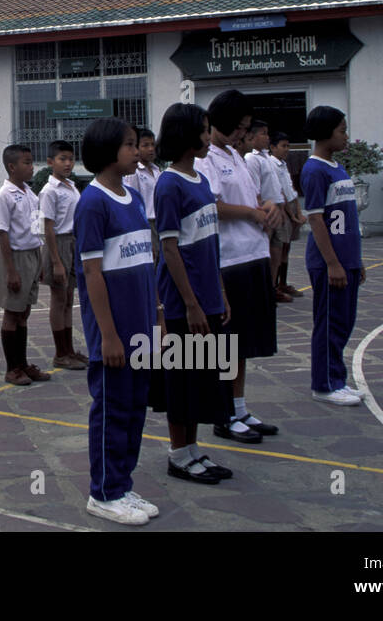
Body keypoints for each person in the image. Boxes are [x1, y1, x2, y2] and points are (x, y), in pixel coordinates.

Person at [76, 117, 160, 525]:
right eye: (129, 145)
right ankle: (104, 492)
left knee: (134, 408)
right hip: (115, 333)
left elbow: (145, 259)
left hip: (142, 327)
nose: (137, 151)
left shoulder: (135, 197)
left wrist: (156, 314)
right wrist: (107, 335)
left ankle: (123, 483)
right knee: (111, 409)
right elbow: (93, 274)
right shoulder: (92, 203)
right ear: (109, 151)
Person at [150, 103, 235, 486]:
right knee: (182, 381)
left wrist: (219, 292)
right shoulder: (168, 184)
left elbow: (209, 244)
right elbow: (170, 248)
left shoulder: (200, 180)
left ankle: (193, 450)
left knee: (204, 379)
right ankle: (178, 453)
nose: (207, 137)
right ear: (184, 135)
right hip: (187, 305)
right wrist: (190, 303)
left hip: (209, 299)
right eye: (202, 130)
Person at [194, 90, 284, 444]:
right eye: (237, 129)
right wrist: (251, 212)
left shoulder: (236, 155)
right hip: (229, 258)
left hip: (253, 253)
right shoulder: (206, 160)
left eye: (245, 130)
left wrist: (269, 205)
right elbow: (212, 206)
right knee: (226, 344)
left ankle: (240, 406)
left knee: (244, 342)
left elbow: (253, 197)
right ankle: (223, 413)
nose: (241, 136)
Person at [302, 106, 367, 407]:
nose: (346, 135)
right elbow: (316, 219)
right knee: (329, 323)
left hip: (347, 259)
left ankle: (337, 378)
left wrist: (356, 261)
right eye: (342, 130)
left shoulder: (336, 167)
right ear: (326, 133)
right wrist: (332, 263)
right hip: (330, 263)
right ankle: (324, 384)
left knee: (344, 322)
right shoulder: (315, 170)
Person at [0, 143, 51, 386]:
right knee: (12, 312)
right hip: (14, 257)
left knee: (24, 311)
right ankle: (12, 367)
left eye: (32, 162)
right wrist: (11, 270)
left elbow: (36, 227)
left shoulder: (30, 193)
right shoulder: (3, 196)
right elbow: (2, 234)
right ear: (12, 167)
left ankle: (23, 363)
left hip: (32, 254)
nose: (31, 167)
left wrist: (40, 260)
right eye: (26, 163)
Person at [40, 140, 87, 369]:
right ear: (51, 162)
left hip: (72, 242)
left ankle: (69, 349)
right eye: (62, 159)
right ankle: (60, 353)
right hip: (57, 243)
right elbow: (47, 228)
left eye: (71, 159)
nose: (68, 163)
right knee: (59, 299)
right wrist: (56, 261)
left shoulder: (71, 186)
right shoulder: (49, 191)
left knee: (69, 299)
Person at [243, 120, 290, 303]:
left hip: (277, 209)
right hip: (266, 211)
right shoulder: (252, 159)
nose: (267, 137)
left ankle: (273, 286)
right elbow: (255, 188)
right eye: (263, 133)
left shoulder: (267, 158)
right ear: (251, 136)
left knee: (278, 250)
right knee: (266, 251)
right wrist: (263, 210)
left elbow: (277, 186)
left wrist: (282, 208)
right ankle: (263, 290)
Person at [268, 132, 306, 298]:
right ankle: (274, 285)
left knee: (287, 247)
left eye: (288, 146)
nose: (286, 149)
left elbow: (291, 190)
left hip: (291, 205)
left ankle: (283, 283)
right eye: (283, 146)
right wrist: (291, 215)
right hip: (282, 208)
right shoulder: (271, 164)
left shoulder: (283, 164)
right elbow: (280, 192)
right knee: (279, 246)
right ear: (273, 147)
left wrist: (298, 211)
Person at [123, 127, 161, 259]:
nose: (150, 149)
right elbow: (133, 204)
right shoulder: (135, 172)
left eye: (152, 145)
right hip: (147, 222)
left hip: (160, 221)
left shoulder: (157, 171)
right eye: (145, 145)